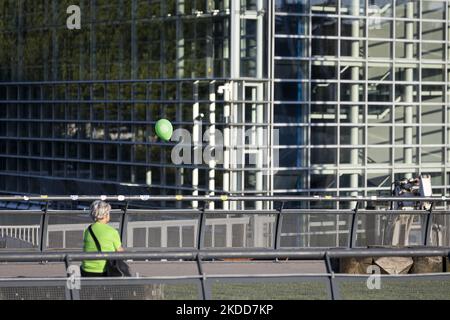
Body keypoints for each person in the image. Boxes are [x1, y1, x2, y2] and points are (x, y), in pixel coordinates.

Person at [81, 200, 124, 277]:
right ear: (105, 215)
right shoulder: (112, 231)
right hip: (103, 270)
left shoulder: (87, 230)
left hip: (85, 270)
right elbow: (120, 252)